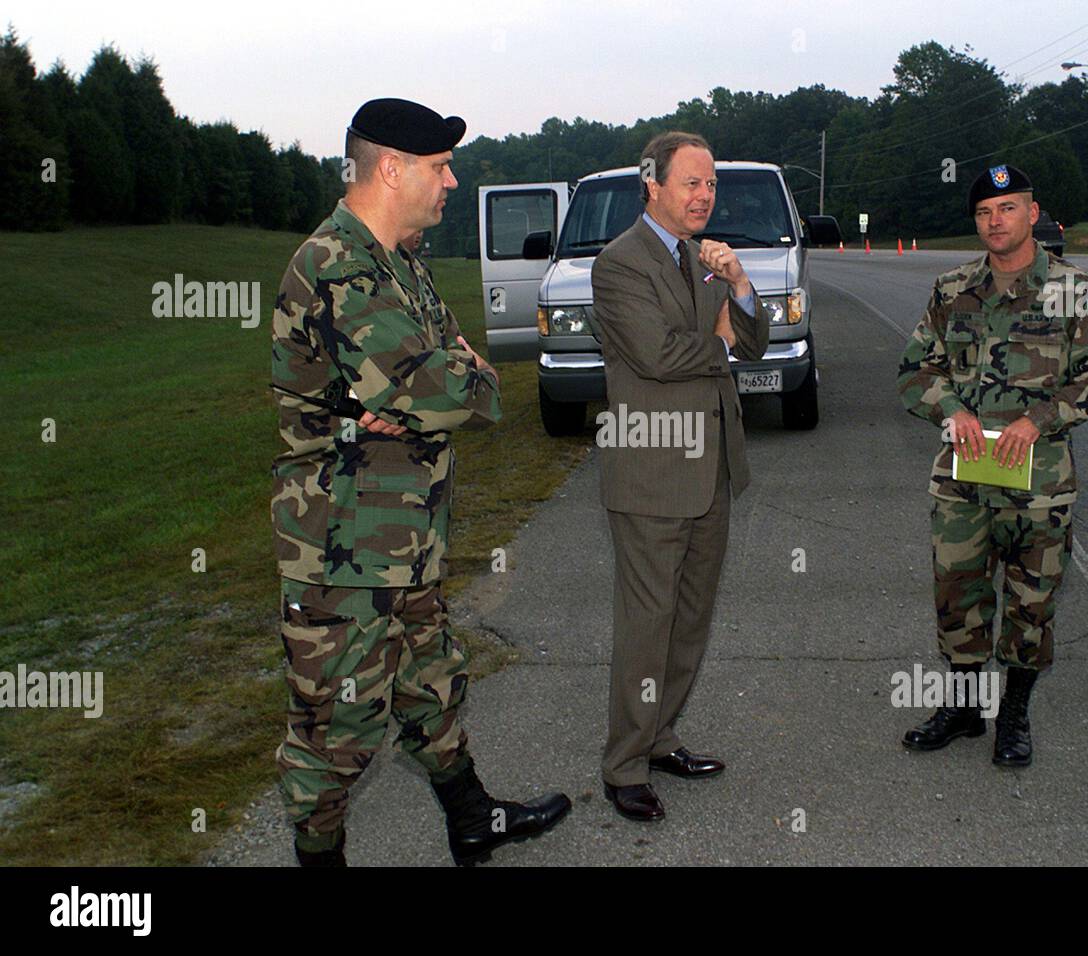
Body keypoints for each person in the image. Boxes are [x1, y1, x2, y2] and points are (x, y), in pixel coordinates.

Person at [271, 97, 569, 866]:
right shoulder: (337, 265)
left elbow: (467, 391)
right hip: (343, 552)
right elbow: (439, 391)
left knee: (430, 683)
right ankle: (319, 856)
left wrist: (433, 388)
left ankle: (473, 820)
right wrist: (438, 386)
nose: (452, 181)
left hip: (404, 539)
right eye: (440, 168)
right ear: (392, 169)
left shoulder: (400, 262)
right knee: (337, 726)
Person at [896, 164, 1088, 767]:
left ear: (1032, 212)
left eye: (1007, 208)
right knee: (958, 596)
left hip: (1038, 486)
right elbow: (915, 370)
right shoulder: (952, 290)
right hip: (964, 478)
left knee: (1032, 603)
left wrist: (1038, 421)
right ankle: (966, 709)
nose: (995, 221)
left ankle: (1014, 715)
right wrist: (950, 411)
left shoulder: (1073, 289)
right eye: (983, 212)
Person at [591, 131, 768, 821]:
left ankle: (661, 737)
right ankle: (624, 764)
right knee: (648, 623)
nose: (704, 195)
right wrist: (721, 338)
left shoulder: (703, 259)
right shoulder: (618, 263)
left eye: (712, 184)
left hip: (711, 469)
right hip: (652, 476)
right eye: (691, 182)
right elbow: (659, 355)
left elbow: (754, 340)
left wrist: (740, 285)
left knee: (690, 620)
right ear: (652, 185)